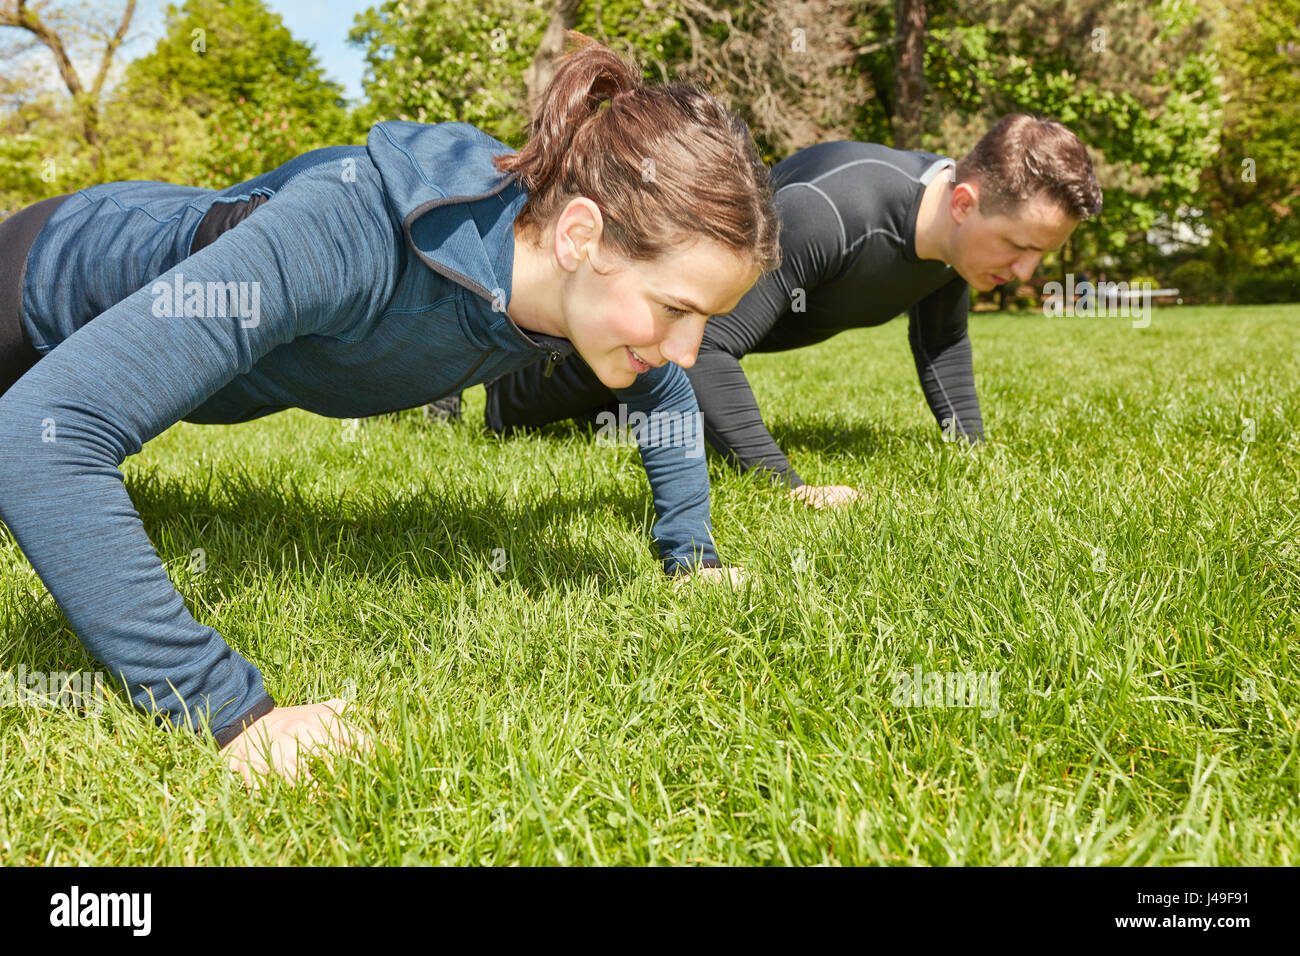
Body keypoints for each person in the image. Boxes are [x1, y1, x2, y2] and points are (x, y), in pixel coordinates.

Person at [0, 34, 778, 786]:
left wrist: (692, 559)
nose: (688, 349)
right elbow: (47, 438)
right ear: (581, 234)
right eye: (675, 309)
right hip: (41, 285)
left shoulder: (577, 296)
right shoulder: (354, 229)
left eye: (704, 318)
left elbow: (665, 393)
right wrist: (231, 715)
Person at [476, 114, 1103, 508]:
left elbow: (941, 342)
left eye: (1039, 256)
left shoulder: (954, 251)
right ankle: (450, 385)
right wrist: (787, 486)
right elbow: (707, 348)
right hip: (654, 330)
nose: (1023, 272)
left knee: (633, 397)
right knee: (516, 405)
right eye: (1020, 247)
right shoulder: (835, 211)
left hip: (675, 348)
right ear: (964, 203)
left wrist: (970, 448)